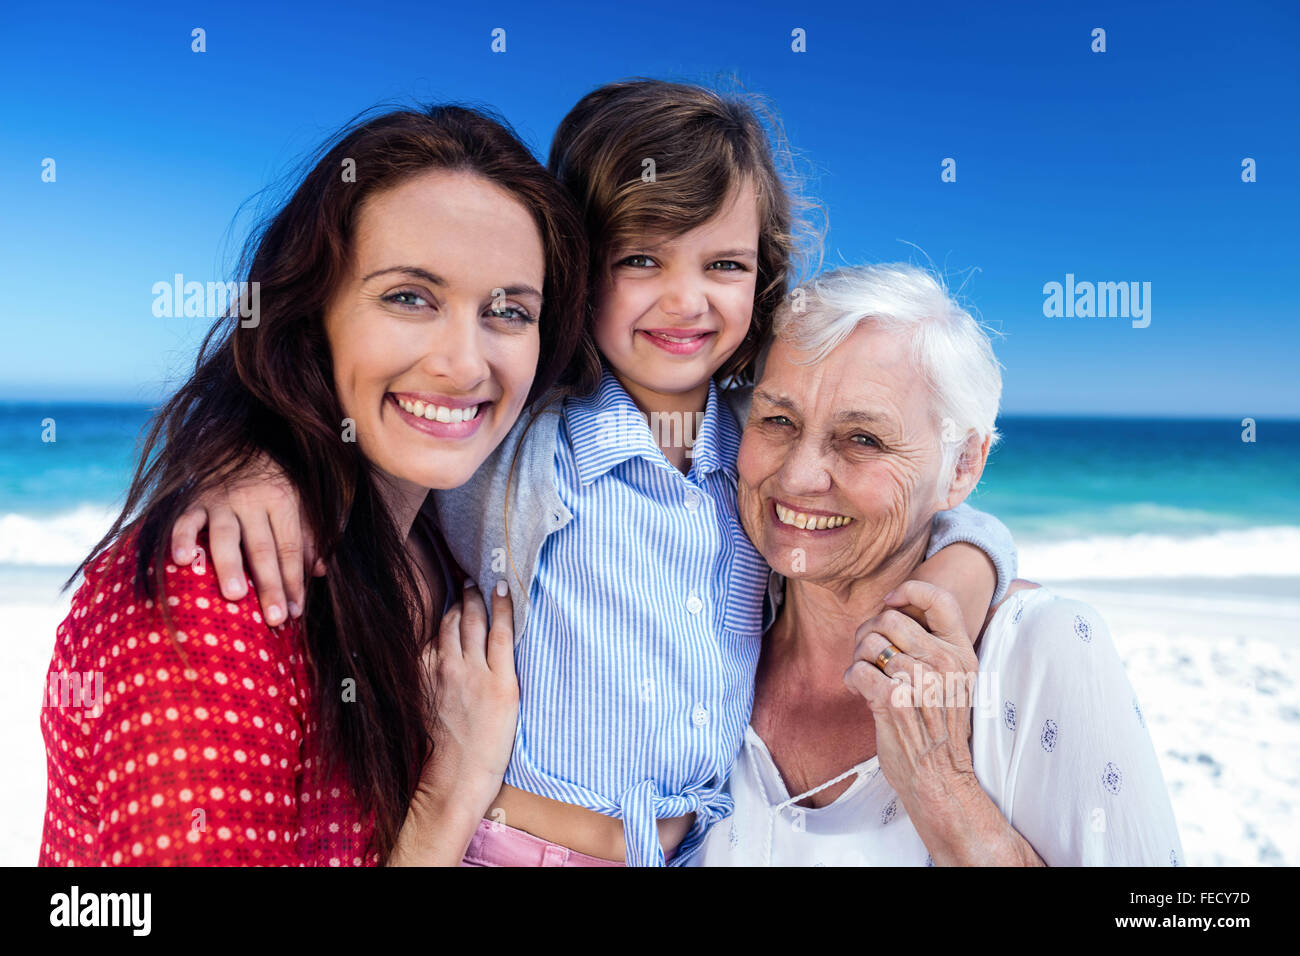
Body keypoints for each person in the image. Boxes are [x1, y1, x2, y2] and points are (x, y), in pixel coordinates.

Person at [171, 80, 1019, 867]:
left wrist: (967, 567)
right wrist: (251, 459)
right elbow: (375, 445)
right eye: (641, 260)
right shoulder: (525, 441)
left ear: (762, 278)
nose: (686, 302)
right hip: (506, 848)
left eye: (723, 265)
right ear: (576, 268)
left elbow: (914, 514)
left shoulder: (759, 453)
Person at [38, 105, 592, 866]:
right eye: (410, 297)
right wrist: (450, 794)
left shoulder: (443, 535)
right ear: (310, 314)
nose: (465, 364)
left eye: (509, 311)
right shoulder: (217, 591)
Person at [693, 263, 1184, 865]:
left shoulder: (1046, 646)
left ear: (961, 468)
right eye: (778, 420)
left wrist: (944, 790)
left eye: (863, 439)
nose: (797, 477)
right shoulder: (699, 621)